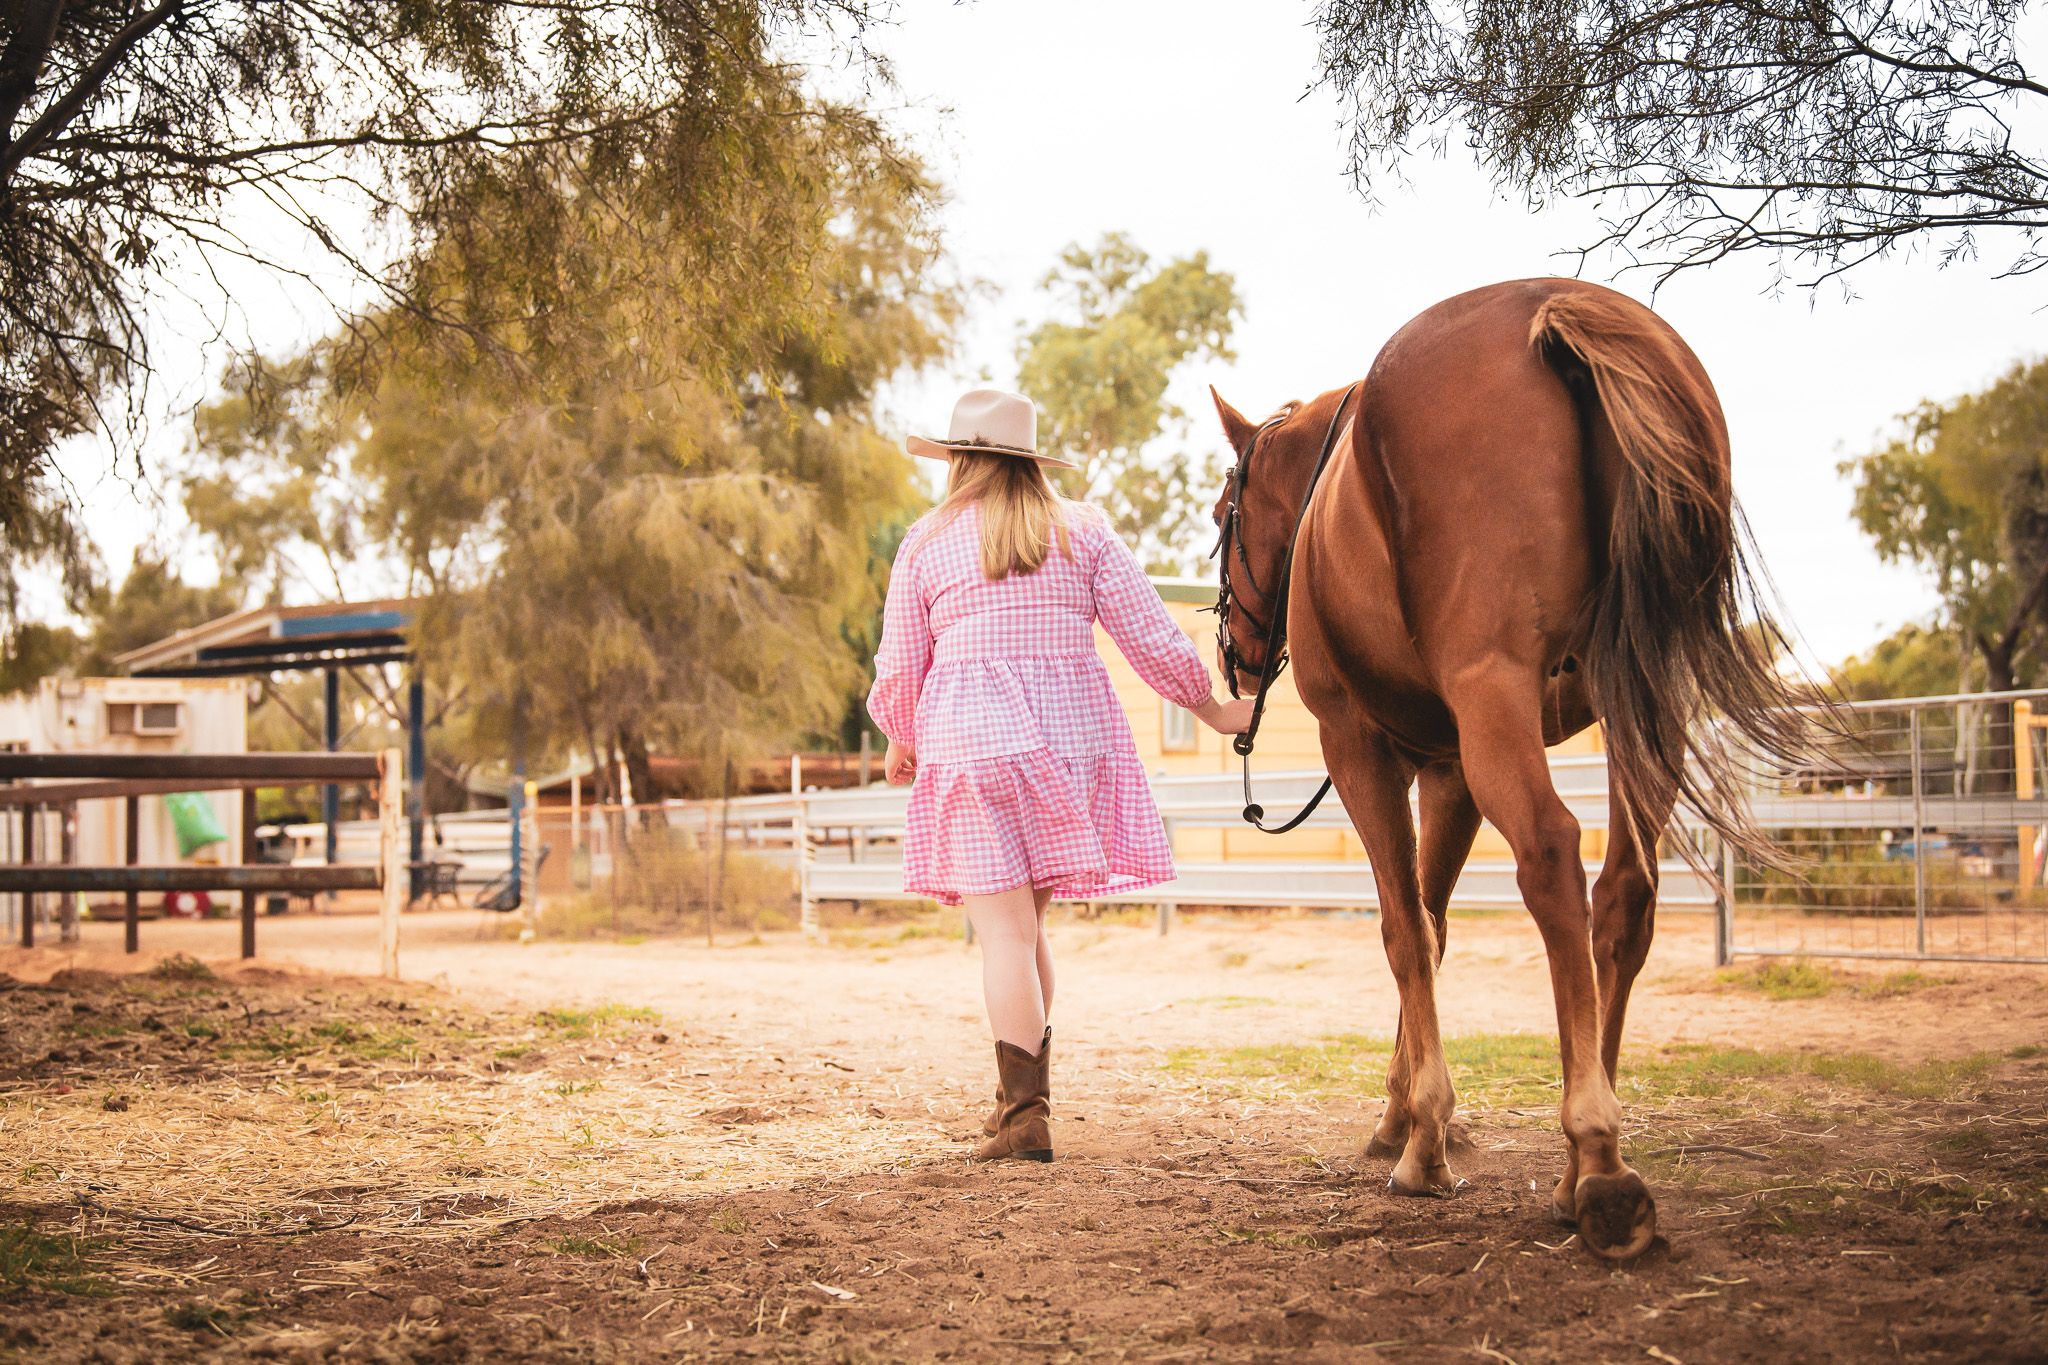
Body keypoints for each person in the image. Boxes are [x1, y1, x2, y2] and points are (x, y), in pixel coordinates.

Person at [867, 388, 1256, 1164]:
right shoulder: (1083, 530)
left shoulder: (928, 539)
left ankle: (1023, 1115)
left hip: (972, 742)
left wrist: (900, 735)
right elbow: (1146, 629)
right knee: (1029, 927)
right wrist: (1211, 709)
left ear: (962, 461)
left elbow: (901, 660)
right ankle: (1021, 1101)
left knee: (1003, 934)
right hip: (1069, 745)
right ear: (1031, 462)